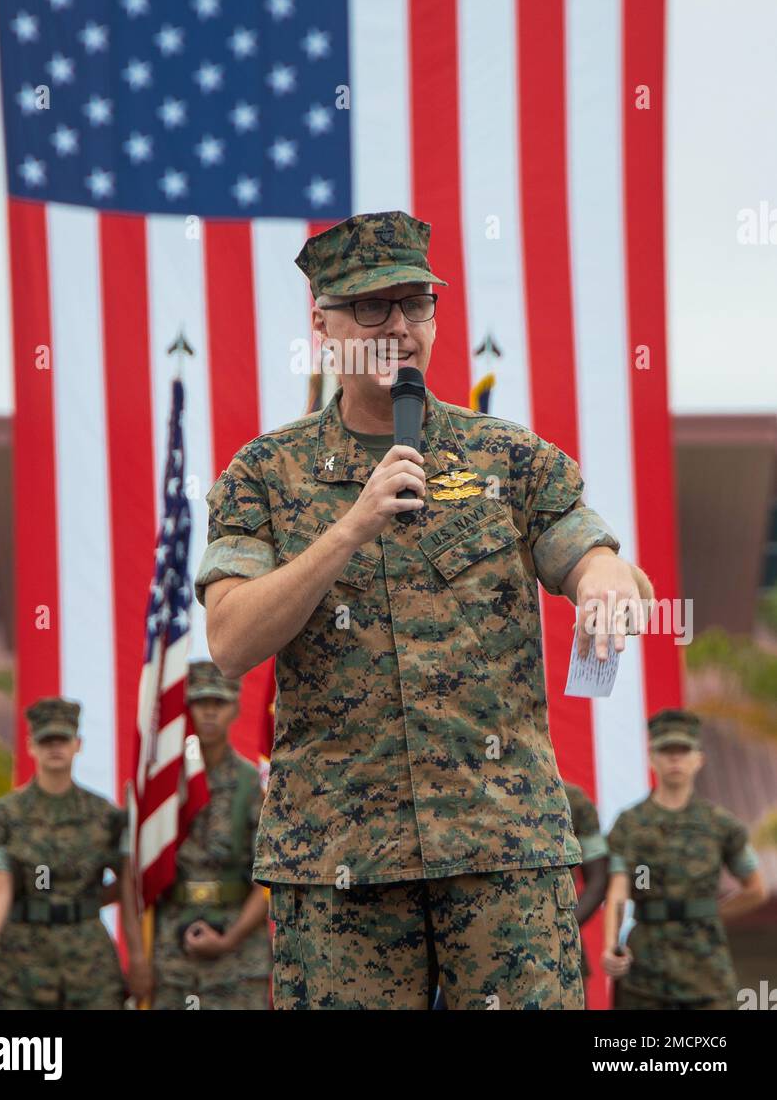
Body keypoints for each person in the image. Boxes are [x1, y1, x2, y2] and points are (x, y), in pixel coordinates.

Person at [195, 209, 646, 1011]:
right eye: (372, 306)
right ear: (323, 325)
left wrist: (604, 577)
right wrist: (352, 524)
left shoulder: (507, 455)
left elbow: (582, 548)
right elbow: (229, 641)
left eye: (416, 303)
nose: (399, 326)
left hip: (501, 850)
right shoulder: (264, 474)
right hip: (340, 863)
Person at [0, 697, 149, 1010]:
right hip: (22, 966)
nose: (54, 747)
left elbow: (128, 890)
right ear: (31, 746)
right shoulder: (6, 816)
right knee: (31, 1057)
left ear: (78, 744)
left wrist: (139, 959)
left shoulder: (106, 817)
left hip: (90, 966)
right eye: (45, 740)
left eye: (62, 738)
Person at [602, 708, 767, 1010]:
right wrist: (611, 945)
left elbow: (755, 888)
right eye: (666, 750)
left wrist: (711, 914)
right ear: (652, 757)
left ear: (699, 759)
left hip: (705, 966)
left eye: (683, 750)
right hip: (646, 969)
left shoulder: (721, 824)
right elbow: (618, 890)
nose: (675, 759)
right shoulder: (630, 824)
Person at [151, 660, 271, 1010]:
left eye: (218, 703)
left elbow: (266, 882)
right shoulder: (165, 789)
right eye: (201, 702)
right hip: (175, 949)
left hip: (239, 954)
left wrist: (228, 939)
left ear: (235, 708)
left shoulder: (251, 787)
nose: (209, 712)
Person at [563, 782, 609, 994]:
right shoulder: (472, 788)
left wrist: (564, 926)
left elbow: (598, 880)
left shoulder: (572, 798)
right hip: (484, 953)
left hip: (560, 955)